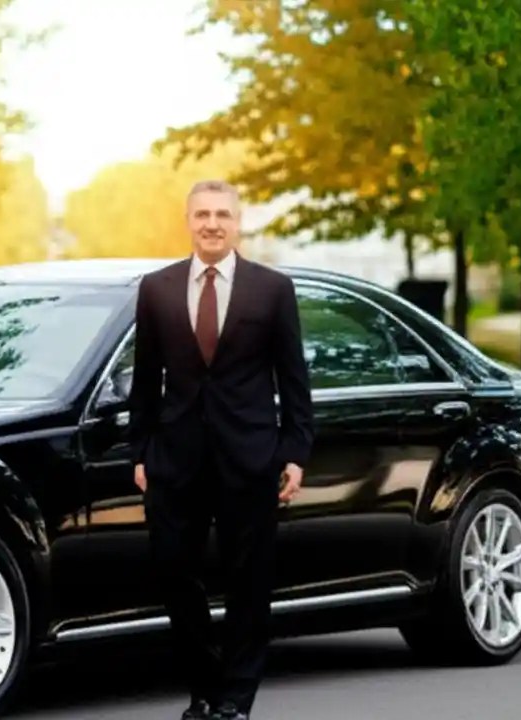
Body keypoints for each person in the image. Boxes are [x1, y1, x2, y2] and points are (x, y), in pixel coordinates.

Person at [129, 180, 314, 720]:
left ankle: (234, 699)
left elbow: (293, 378)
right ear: (188, 221)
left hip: (251, 460)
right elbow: (145, 380)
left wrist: (295, 452)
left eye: (223, 215)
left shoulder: (272, 289)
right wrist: (139, 451)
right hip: (174, 460)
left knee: (248, 583)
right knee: (173, 572)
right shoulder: (156, 288)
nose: (212, 223)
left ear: (238, 223)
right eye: (203, 214)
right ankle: (205, 685)